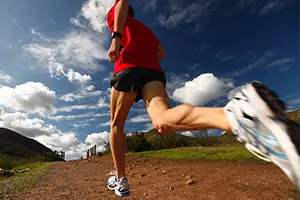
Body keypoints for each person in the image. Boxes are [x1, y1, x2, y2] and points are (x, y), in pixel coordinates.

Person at [106, 0, 300, 197]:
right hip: (153, 72)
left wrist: (116, 37)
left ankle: (120, 178)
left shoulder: (117, 15)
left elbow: (122, 2)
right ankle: (238, 116)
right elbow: (160, 53)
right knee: (163, 120)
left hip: (128, 64)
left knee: (117, 124)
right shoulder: (146, 29)